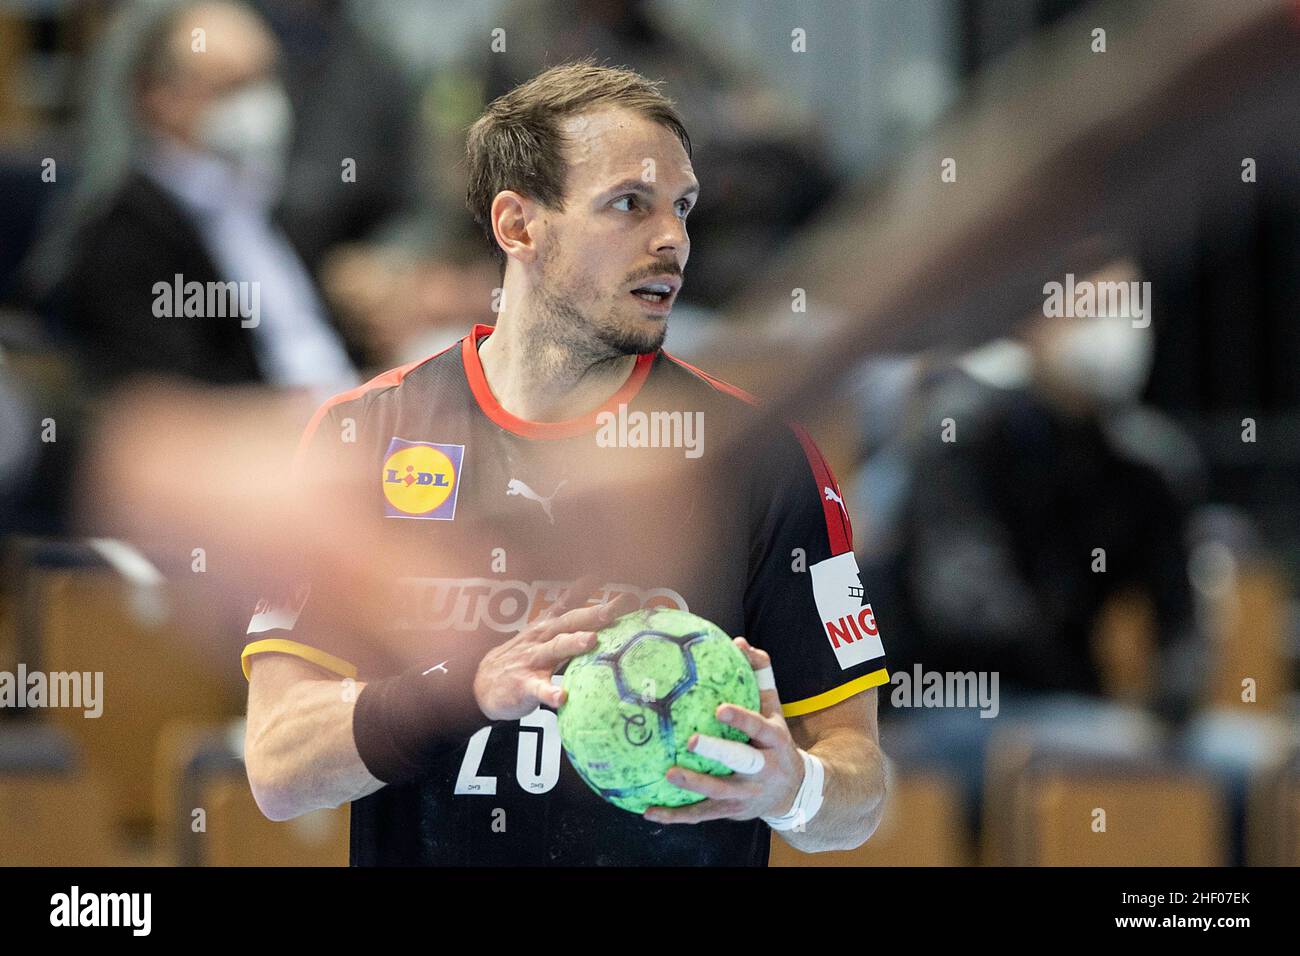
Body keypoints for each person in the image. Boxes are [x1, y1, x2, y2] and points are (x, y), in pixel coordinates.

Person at [241, 60, 889, 866]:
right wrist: (464, 689)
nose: (672, 241)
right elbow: (276, 765)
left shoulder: (758, 457)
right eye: (629, 204)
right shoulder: (362, 436)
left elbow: (860, 791)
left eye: (682, 208)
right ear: (518, 226)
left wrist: (792, 789)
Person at [55, 1, 356, 394]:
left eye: (266, 80)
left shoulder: (262, 204)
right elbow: (173, 406)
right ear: (156, 95)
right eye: (232, 87)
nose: (260, 105)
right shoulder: (125, 239)